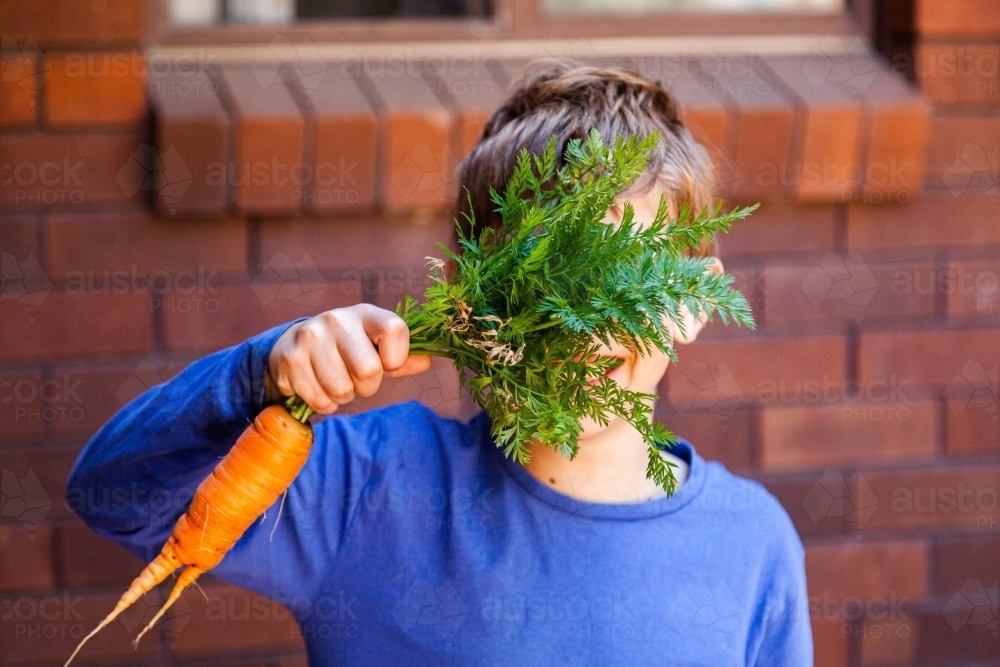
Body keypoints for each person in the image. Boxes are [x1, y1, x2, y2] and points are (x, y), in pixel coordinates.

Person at [66, 59, 812, 666]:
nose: (578, 328)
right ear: (467, 296)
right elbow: (110, 494)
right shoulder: (365, 486)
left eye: (626, 275)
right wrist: (254, 374)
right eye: (538, 281)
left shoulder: (750, 543)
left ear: (692, 300)